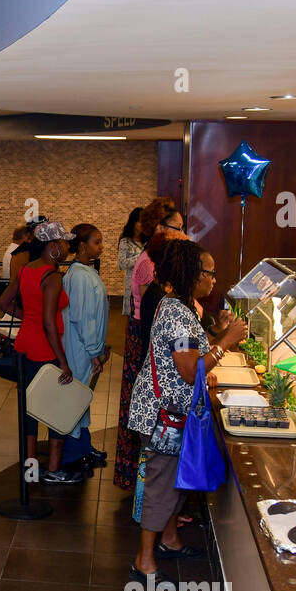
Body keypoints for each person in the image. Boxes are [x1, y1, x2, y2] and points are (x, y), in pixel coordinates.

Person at [126, 239, 248, 584]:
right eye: (209, 273)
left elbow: (190, 349)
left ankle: (169, 539)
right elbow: (189, 369)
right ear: (192, 275)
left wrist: (218, 332)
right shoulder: (178, 313)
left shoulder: (178, 306)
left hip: (166, 410)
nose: (213, 279)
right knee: (162, 485)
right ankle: (144, 562)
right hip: (162, 415)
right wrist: (225, 343)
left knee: (170, 483)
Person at [0, 221, 80, 484]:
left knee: (29, 411)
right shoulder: (52, 276)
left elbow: (3, 302)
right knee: (56, 410)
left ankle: (30, 471)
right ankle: (54, 469)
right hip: (46, 351)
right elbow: (48, 322)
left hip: (24, 346)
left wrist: (28, 318)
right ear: (53, 247)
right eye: (64, 243)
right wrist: (64, 362)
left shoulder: (25, 271)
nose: (68, 247)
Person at [114, 198, 182, 491]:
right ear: (160, 227)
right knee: (141, 408)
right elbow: (148, 305)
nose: (182, 232)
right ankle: (138, 481)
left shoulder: (158, 257)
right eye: (177, 228)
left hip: (148, 332)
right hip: (143, 335)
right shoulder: (147, 261)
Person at [61, 224, 110, 471]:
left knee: (82, 398)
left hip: (84, 347)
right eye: (96, 242)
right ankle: (71, 454)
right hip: (79, 348)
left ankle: (84, 447)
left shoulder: (83, 272)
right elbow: (84, 318)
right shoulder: (79, 276)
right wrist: (94, 352)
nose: (101, 246)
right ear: (82, 246)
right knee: (76, 398)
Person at [116, 206, 145, 317]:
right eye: (140, 222)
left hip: (146, 284)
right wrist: (141, 256)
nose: (142, 225)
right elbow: (122, 263)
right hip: (132, 285)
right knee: (132, 318)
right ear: (133, 222)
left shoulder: (147, 241)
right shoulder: (126, 240)